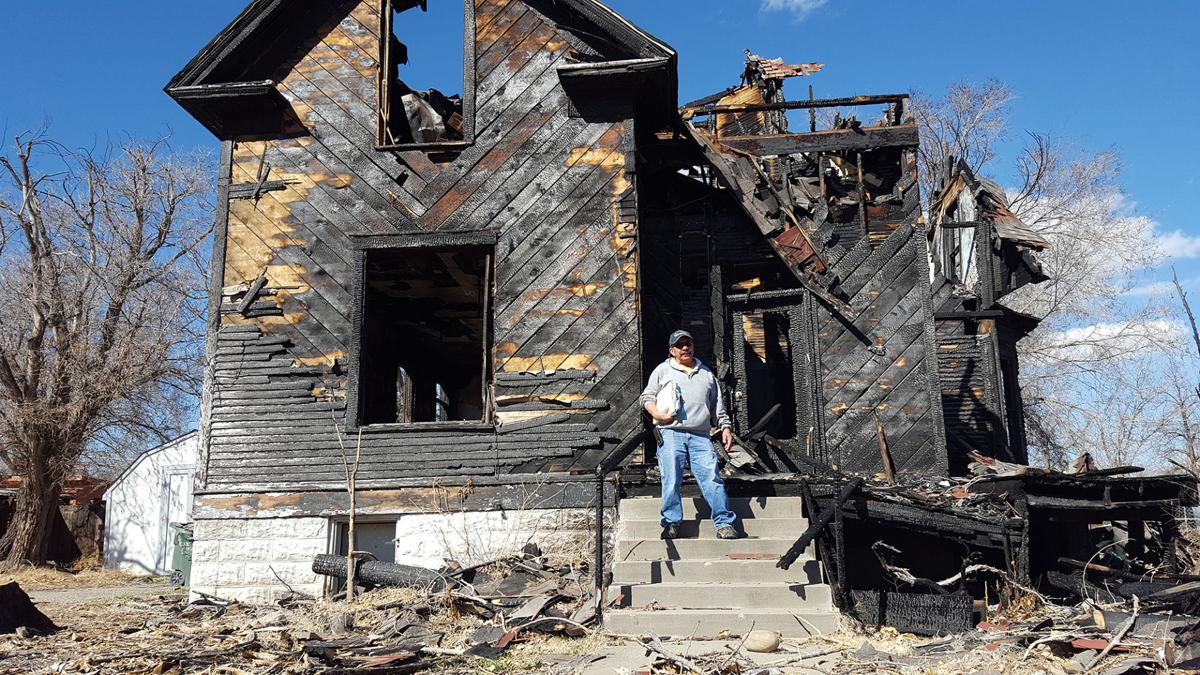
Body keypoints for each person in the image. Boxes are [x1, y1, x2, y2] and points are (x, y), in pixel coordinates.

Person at [640, 330, 739, 540]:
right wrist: (656, 413)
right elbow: (646, 397)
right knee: (671, 478)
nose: (685, 348)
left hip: (700, 435)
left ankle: (724, 523)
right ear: (672, 350)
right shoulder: (662, 370)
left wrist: (726, 427)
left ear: (693, 347)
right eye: (680, 345)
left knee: (712, 478)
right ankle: (671, 522)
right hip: (670, 433)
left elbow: (717, 407)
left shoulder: (707, 374)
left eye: (688, 344)